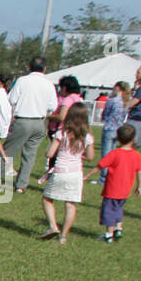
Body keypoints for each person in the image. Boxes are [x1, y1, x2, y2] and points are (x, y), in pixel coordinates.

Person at [37, 102, 92, 244]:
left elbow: (49, 153)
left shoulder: (62, 134)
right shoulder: (87, 137)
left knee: (47, 199)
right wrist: (81, 155)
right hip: (75, 174)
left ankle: (53, 226)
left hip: (60, 171)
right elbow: (91, 157)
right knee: (70, 204)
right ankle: (64, 236)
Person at [3, 56, 58, 194]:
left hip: (23, 120)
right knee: (30, 155)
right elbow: (53, 105)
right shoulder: (49, 84)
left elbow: (12, 99)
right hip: (39, 122)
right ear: (45, 69)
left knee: (8, 152)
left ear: (29, 67)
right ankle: (21, 185)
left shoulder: (23, 81)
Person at [89, 122, 141, 240]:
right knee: (119, 208)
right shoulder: (136, 155)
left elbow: (100, 166)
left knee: (109, 210)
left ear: (118, 139)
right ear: (134, 138)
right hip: (125, 190)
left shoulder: (115, 153)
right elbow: (140, 171)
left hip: (112, 189)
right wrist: (139, 186)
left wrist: (87, 175)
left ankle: (108, 234)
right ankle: (119, 228)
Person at [95, 81, 128, 184]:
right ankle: (110, 176)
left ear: (117, 88)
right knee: (113, 155)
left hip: (109, 128)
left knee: (106, 155)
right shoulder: (125, 102)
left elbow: (105, 114)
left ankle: (103, 179)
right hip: (118, 130)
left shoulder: (112, 100)